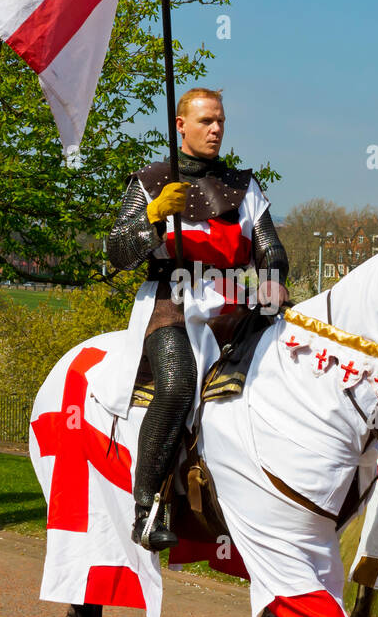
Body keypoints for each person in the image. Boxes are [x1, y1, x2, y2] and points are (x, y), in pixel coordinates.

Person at [100, 87, 288, 552]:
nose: (216, 129)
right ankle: (147, 506)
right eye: (206, 121)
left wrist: (272, 278)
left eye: (221, 120)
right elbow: (114, 254)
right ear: (180, 125)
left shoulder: (245, 186)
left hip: (234, 303)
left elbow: (271, 250)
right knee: (179, 385)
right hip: (172, 300)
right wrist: (153, 217)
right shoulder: (150, 179)